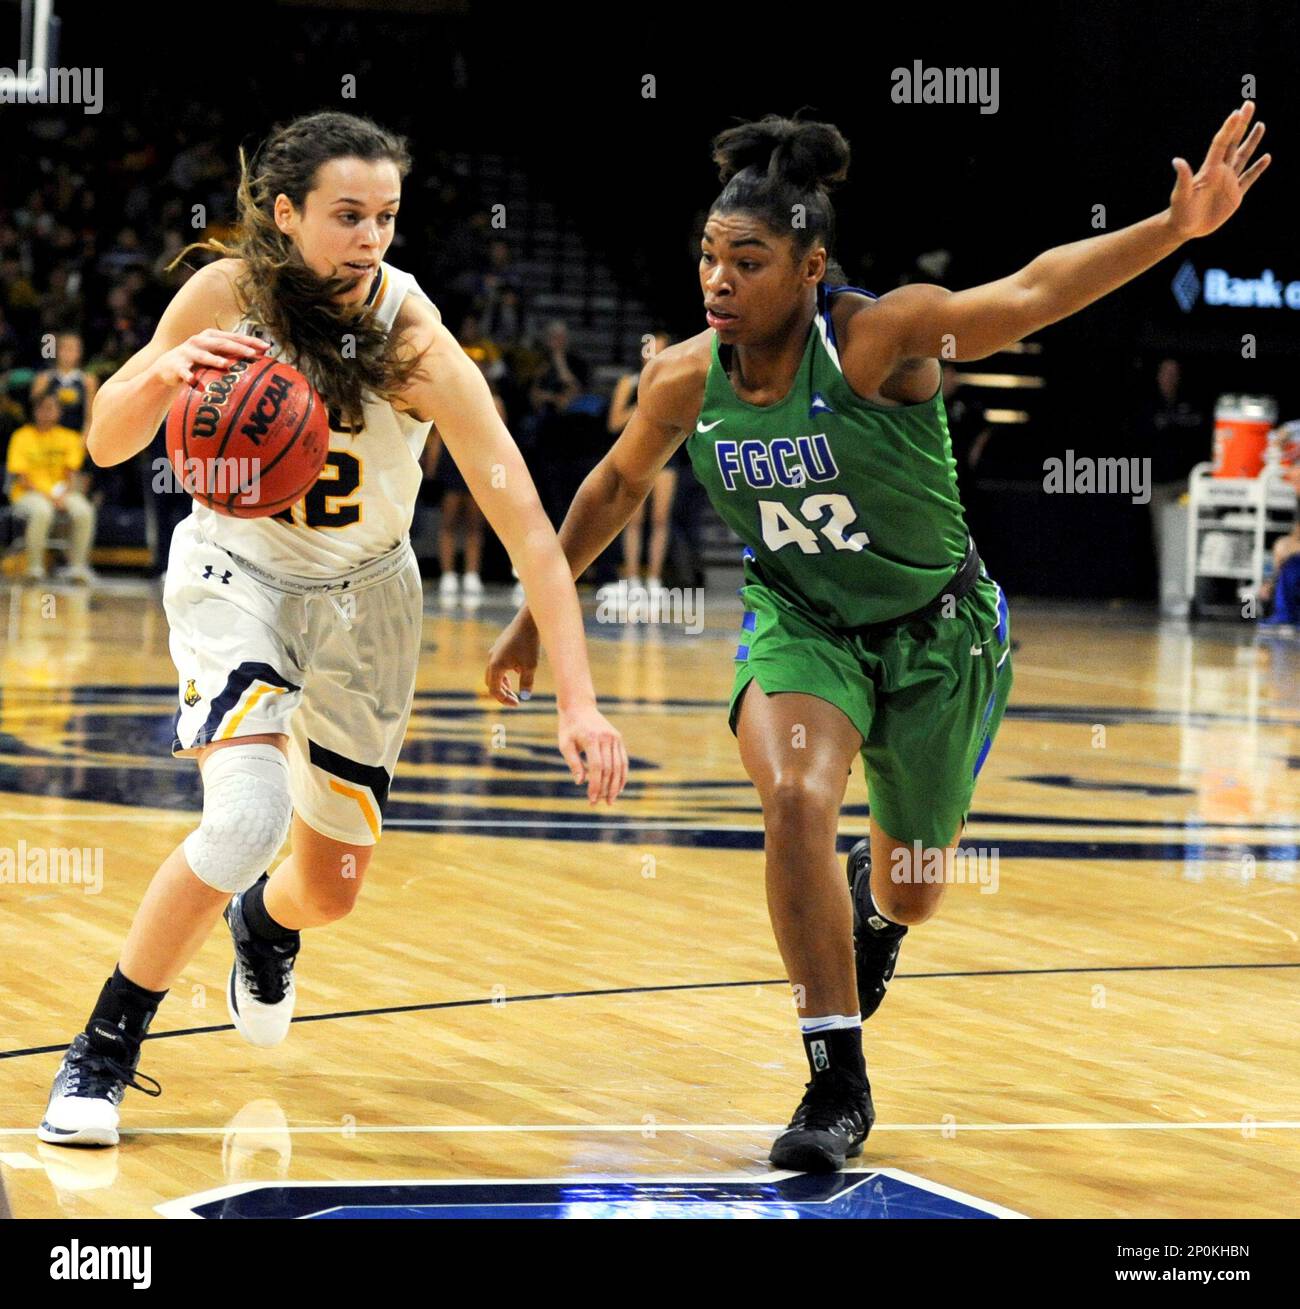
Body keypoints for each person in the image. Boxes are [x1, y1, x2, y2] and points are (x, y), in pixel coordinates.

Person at [488, 105, 1270, 1172]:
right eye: (708, 257)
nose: (716, 281)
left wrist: (1174, 229)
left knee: (912, 887)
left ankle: (875, 907)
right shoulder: (684, 378)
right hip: (802, 624)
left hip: (937, 634)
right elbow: (615, 483)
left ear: (810, 267)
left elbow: (1034, 292)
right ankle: (834, 1074)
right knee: (797, 793)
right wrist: (535, 622)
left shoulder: (880, 342)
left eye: (746, 261)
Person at [38, 110, 628, 1148]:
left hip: (369, 597)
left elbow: (532, 533)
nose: (371, 238)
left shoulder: (413, 342)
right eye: (347, 215)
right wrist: (157, 379)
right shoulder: (225, 293)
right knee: (245, 818)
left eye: (386, 217)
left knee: (329, 888)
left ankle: (262, 925)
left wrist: (577, 699)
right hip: (238, 572)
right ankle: (105, 1045)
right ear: (285, 213)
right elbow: (102, 441)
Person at [604, 331, 682, 596]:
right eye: (649, 349)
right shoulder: (630, 381)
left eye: (660, 349)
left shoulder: (676, 380)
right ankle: (633, 578)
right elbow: (614, 421)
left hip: (667, 456)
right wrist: (645, 401)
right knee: (633, 519)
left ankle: (654, 580)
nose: (653, 354)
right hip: (637, 453)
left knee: (661, 518)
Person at [6, 391, 97, 583]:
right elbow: (22, 478)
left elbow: (71, 475)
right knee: (42, 511)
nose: (46, 413)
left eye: (51, 408)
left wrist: (62, 495)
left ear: (59, 413)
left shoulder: (70, 438)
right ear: (35, 411)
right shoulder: (21, 436)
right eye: (42, 408)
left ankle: (77, 569)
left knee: (84, 510)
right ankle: (34, 569)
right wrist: (50, 497)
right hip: (28, 493)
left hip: (63, 492)